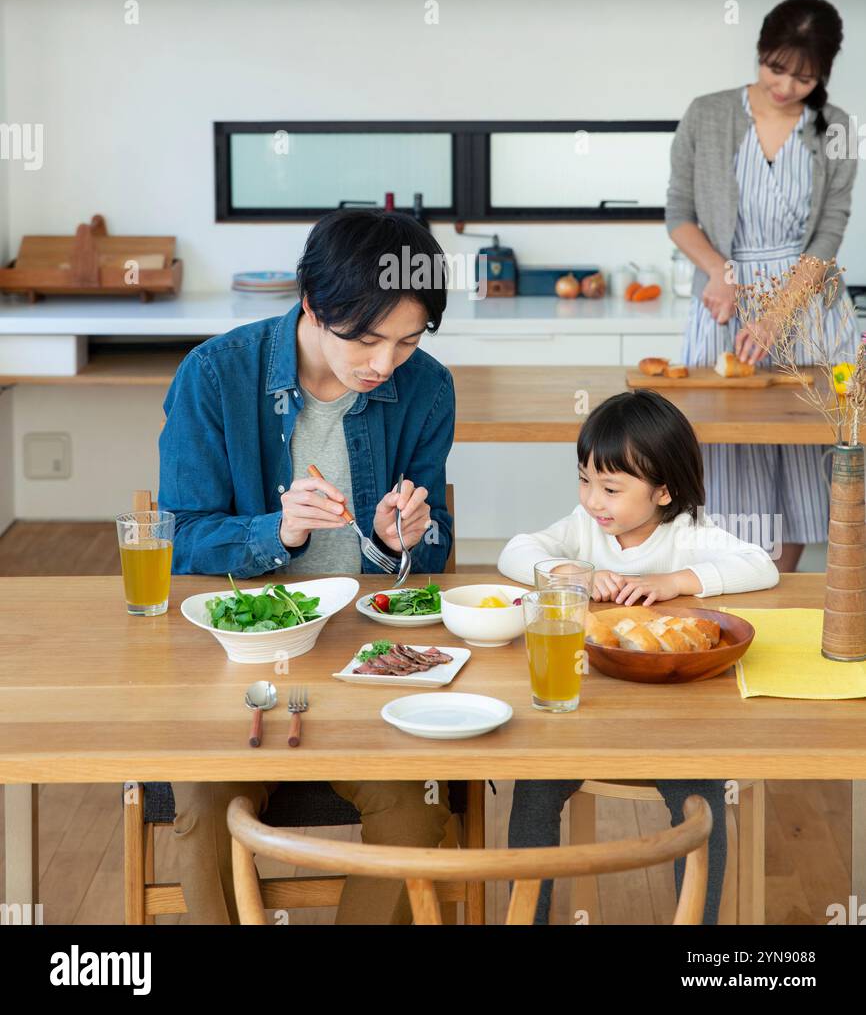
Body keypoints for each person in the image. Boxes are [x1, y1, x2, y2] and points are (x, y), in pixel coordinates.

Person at [159, 208, 456, 923]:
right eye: (366, 338)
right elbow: (180, 542)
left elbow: (432, 552)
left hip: (366, 657)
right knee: (202, 806)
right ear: (313, 305)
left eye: (408, 340)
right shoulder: (215, 375)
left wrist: (399, 538)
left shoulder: (427, 388)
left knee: (417, 808)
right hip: (240, 662)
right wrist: (277, 531)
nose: (384, 363)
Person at [498, 389, 779, 925]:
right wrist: (571, 573)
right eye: (584, 480)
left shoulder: (686, 536)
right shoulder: (583, 531)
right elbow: (516, 550)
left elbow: (760, 565)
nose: (592, 500)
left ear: (663, 491)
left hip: (673, 722)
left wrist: (674, 580)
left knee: (701, 801)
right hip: (584, 712)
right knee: (533, 786)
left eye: (609, 487)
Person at [667, 0, 859, 572]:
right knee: (726, 451)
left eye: (804, 77)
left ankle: (779, 586)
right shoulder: (707, 113)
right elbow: (678, 211)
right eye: (776, 69)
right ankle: (729, 582)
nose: (785, 86)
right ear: (759, 53)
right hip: (724, 299)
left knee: (805, 457)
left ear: (823, 73)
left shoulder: (839, 128)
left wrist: (780, 312)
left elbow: (830, 229)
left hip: (810, 303)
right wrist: (720, 272)